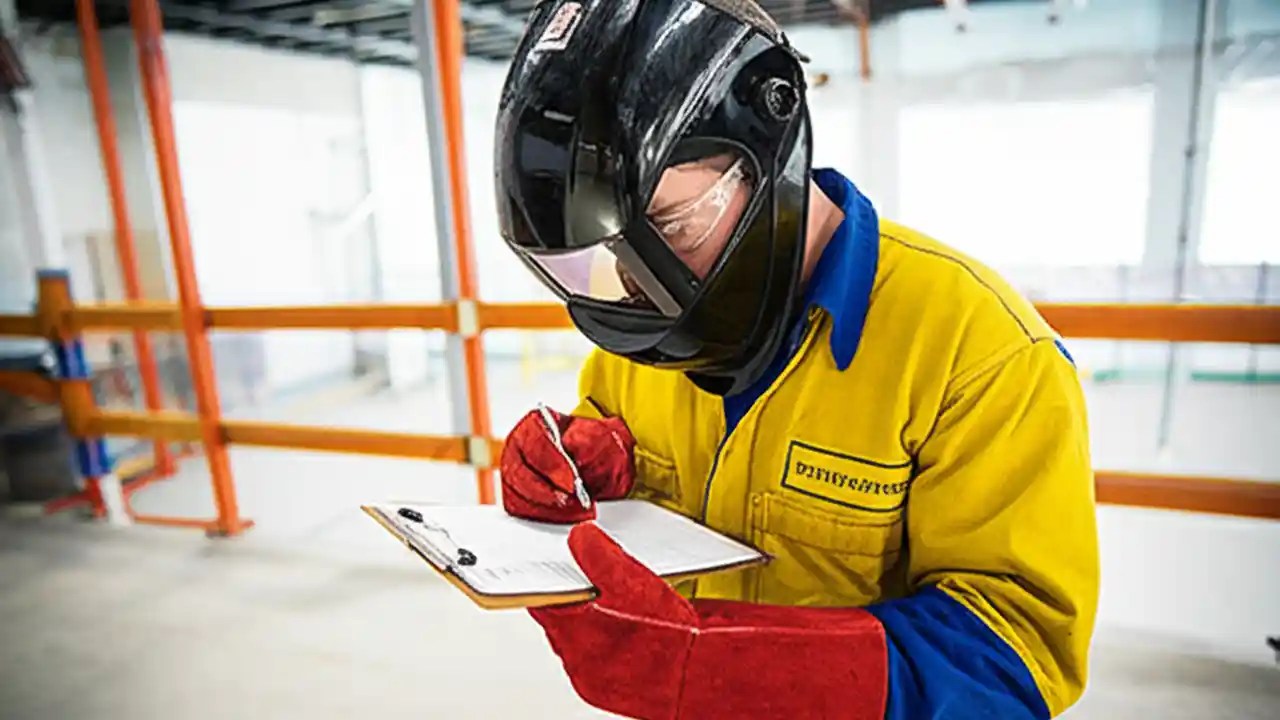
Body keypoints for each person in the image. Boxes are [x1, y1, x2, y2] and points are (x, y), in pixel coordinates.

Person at [492, 1, 1099, 718]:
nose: (634, 293)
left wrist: (725, 667)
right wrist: (585, 476)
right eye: (602, 265)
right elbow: (627, 486)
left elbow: (1014, 657)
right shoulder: (638, 339)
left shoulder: (981, 353)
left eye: (673, 226)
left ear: (768, 139)